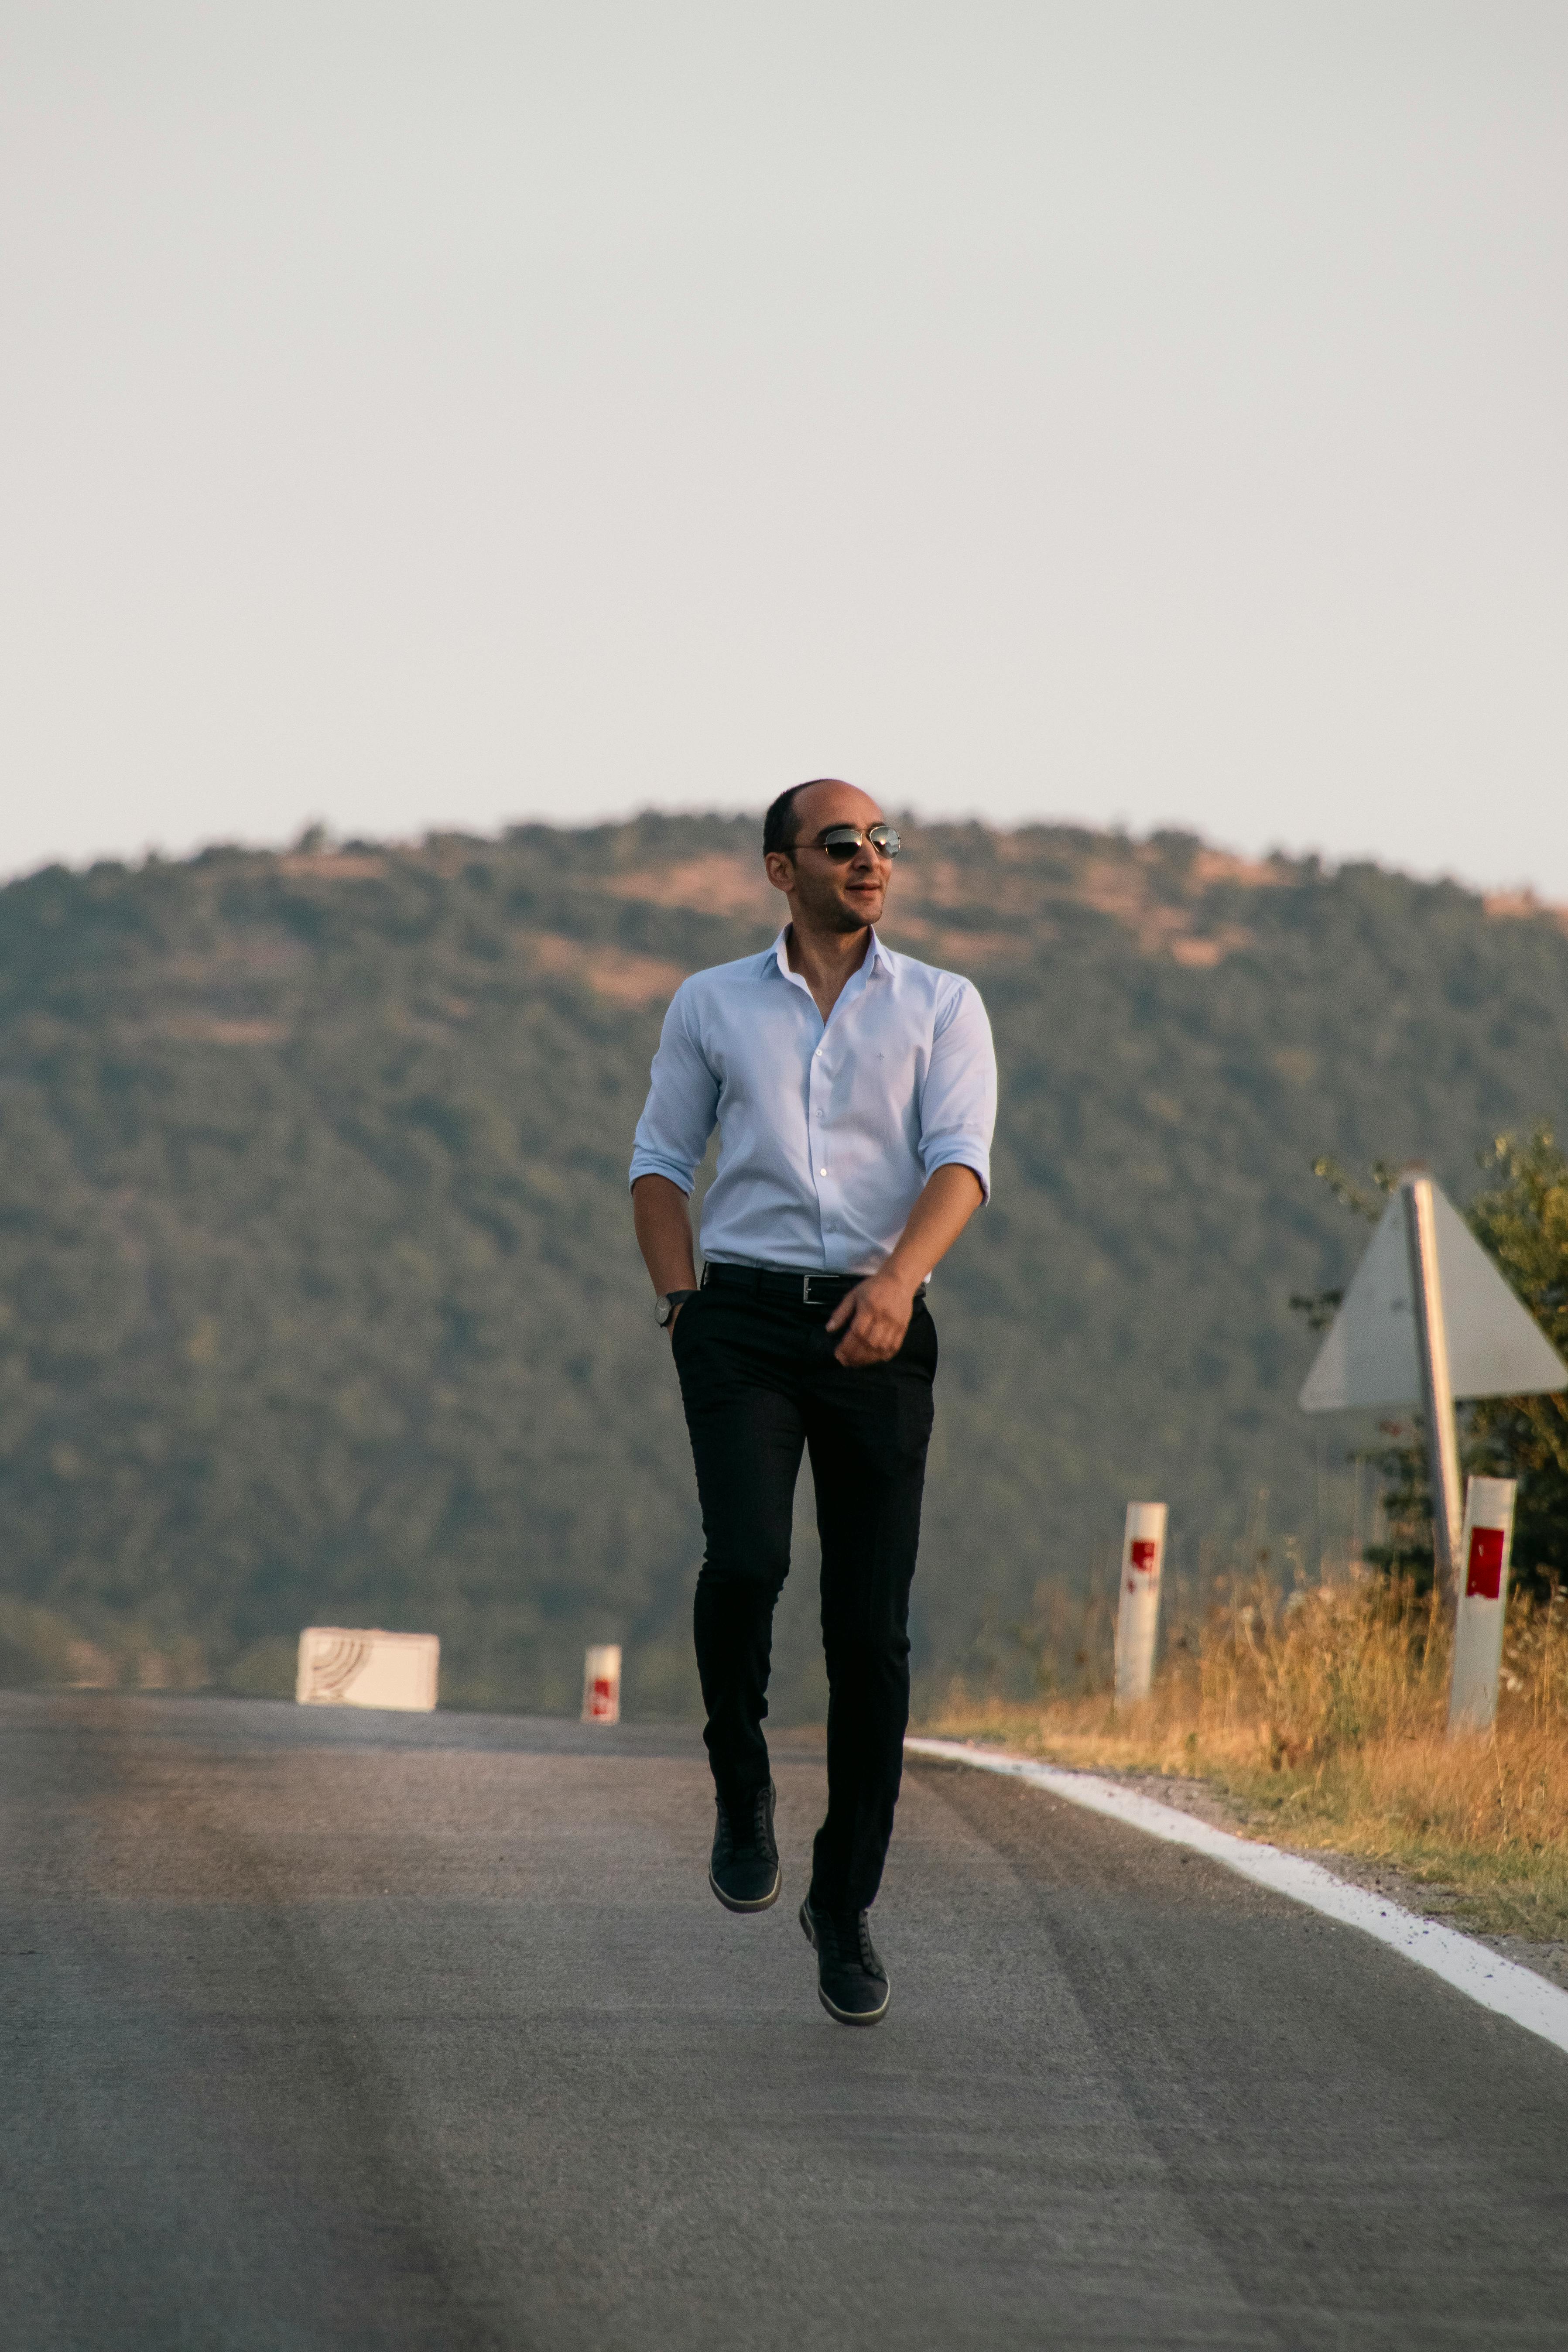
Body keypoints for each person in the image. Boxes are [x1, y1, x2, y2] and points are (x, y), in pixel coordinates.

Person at [629, 779, 996, 2026]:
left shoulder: (943, 1005)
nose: (870, 858)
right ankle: (740, 1776)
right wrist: (682, 1309)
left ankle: (841, 1907)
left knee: (869, 1638)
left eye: (883, 840)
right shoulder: (712, 1003)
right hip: (737, 1321)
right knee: (743, 1562)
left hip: (879, 1329)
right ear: (782, 870)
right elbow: (658, 1166)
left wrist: (898, 1282)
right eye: (842, 843)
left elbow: (960, 1164)